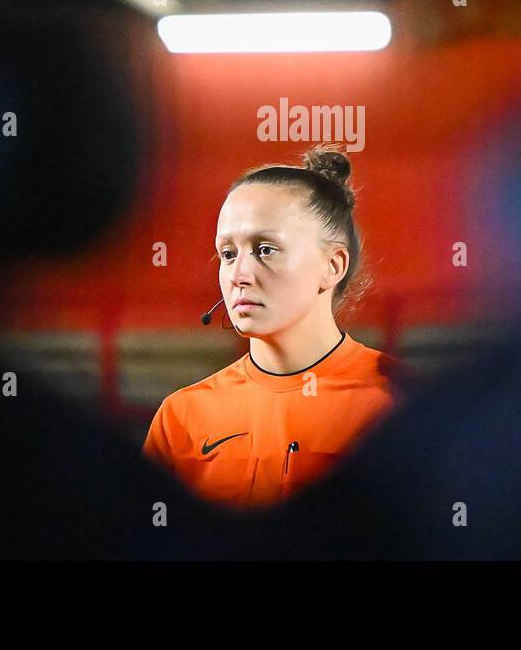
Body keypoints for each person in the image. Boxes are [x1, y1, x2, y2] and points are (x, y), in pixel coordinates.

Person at [143, 145, 403, 509]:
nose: (239, 275)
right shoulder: (181, 418)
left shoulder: (401, 404)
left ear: (333, 266)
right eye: (228, 254)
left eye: (265, 249)